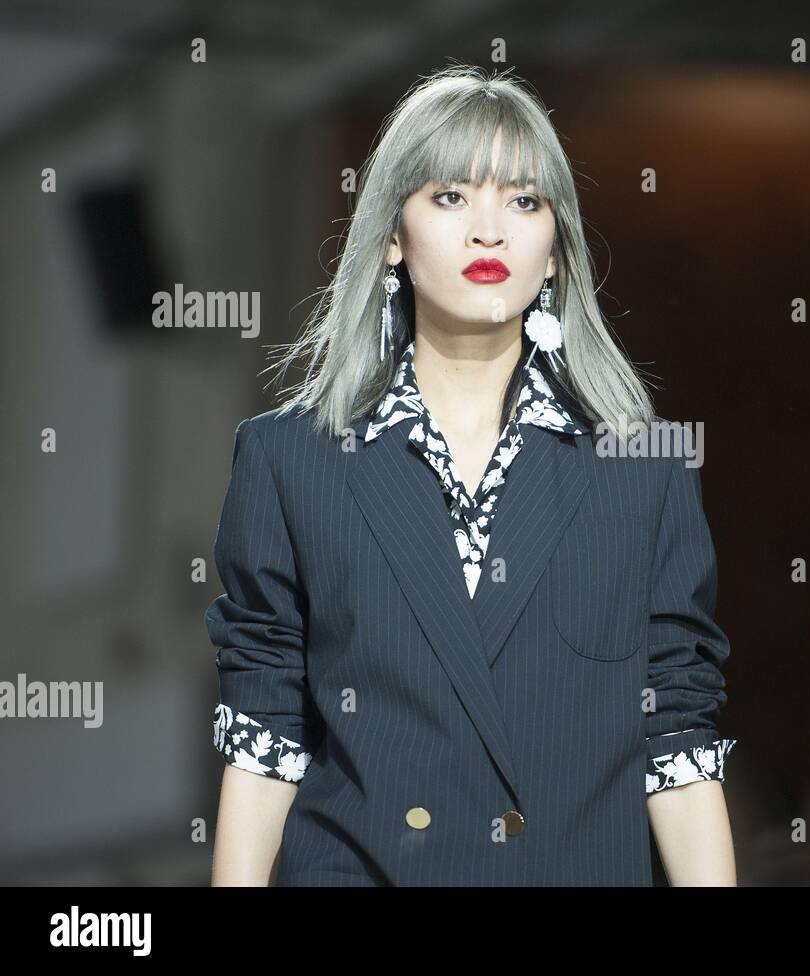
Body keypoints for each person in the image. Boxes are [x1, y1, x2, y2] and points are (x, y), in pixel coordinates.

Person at [206, 64, 738, 886]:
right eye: (450, 196)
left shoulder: (642, 469)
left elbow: (677, 737)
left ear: (556, 248)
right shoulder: (292, 461)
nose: (489, 231)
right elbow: (265, 731)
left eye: (524, 201)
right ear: (391, 234)